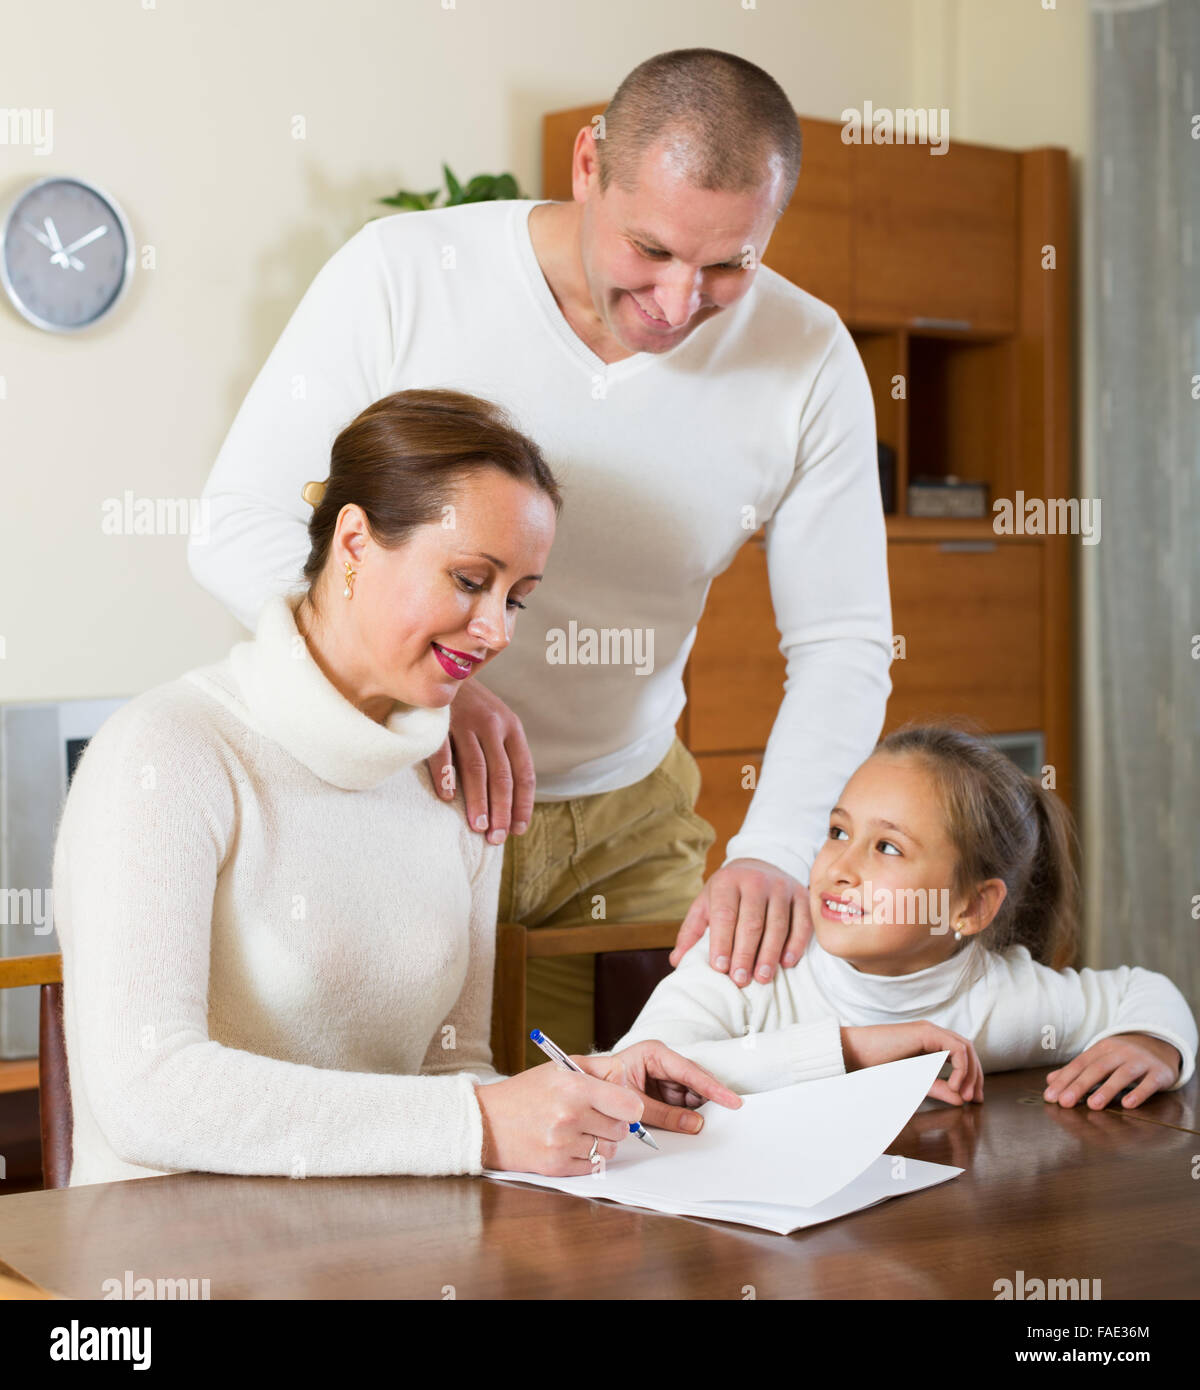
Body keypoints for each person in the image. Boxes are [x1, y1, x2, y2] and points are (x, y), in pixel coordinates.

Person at [189, 49, 892, 1067]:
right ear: (586, 164)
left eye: (729, 265)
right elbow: (236, 521)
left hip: (628, 822)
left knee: (639, 1147)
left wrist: (777, 849)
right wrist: (422, 692)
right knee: (391, 1156)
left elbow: (842, 642)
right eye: (648, 247)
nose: (677, 300)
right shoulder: (404, 275)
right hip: (386, 792)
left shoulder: (808, 356)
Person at [52, 388, 746, 1188]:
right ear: (354, 544)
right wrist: (479, 1122)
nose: (498, 631)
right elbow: (146, 1095)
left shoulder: (456, 779)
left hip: (390, 1249)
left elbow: (454, 1080)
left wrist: (579, 1094)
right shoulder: (168, 752)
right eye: (468, 579)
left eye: (516, 597)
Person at [611, 724, 1198, 1111]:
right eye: (837, 831)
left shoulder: (1006, 997)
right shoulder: (748, 959)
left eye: (887, 847)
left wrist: (1152, 1041)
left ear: (969, 908)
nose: (838, 865)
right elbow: (636, 1068)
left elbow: (1145, 992)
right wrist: (854, 1049)